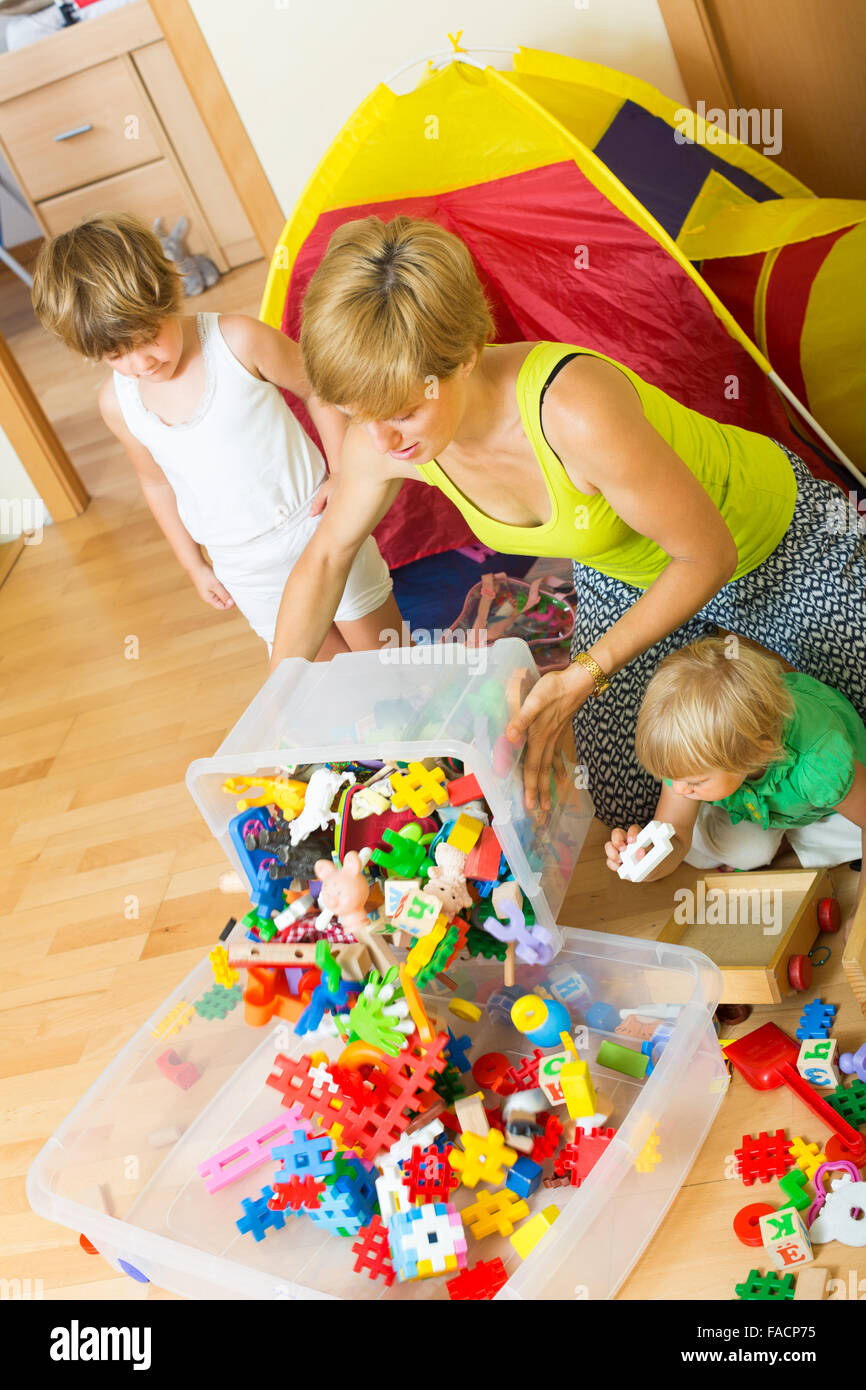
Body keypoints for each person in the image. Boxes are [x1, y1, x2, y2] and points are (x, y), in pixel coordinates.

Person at [268, 215, 866, 823]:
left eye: (400, 411)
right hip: (627, 573)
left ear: (467, 355)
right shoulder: (380, 438)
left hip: (770, 542)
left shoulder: (572, 410)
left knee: (849, 735)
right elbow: (323, 560)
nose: (376, 439)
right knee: (625, 800)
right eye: (354, 414)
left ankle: (758, 737)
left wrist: (584, 673)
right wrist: (273, 716)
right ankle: (745, 738)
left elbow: (707, 555)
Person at [31, 213, 403, 658]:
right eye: (116, 354)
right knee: (319, 680)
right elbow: (155, 482)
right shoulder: (117, 403)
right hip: (243, 567)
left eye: (149, 336)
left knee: (388, 660)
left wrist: (342, 472)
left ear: (170, 291)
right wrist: (194, 566)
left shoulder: (237, 340)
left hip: (318, 528)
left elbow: (317, 387)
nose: (141, 363)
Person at [604, 636, 865, 928]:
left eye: (695, 781)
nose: (678, 789)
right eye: (673, 777)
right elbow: (675, 835)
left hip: (835, 797)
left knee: (853, 833)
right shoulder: (685, 757)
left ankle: (788, 849)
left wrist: (861, 913)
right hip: (773, 802)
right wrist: (648, 863)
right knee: (741, 849)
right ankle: (787, 847)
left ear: (755, 753)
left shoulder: (819, 760)